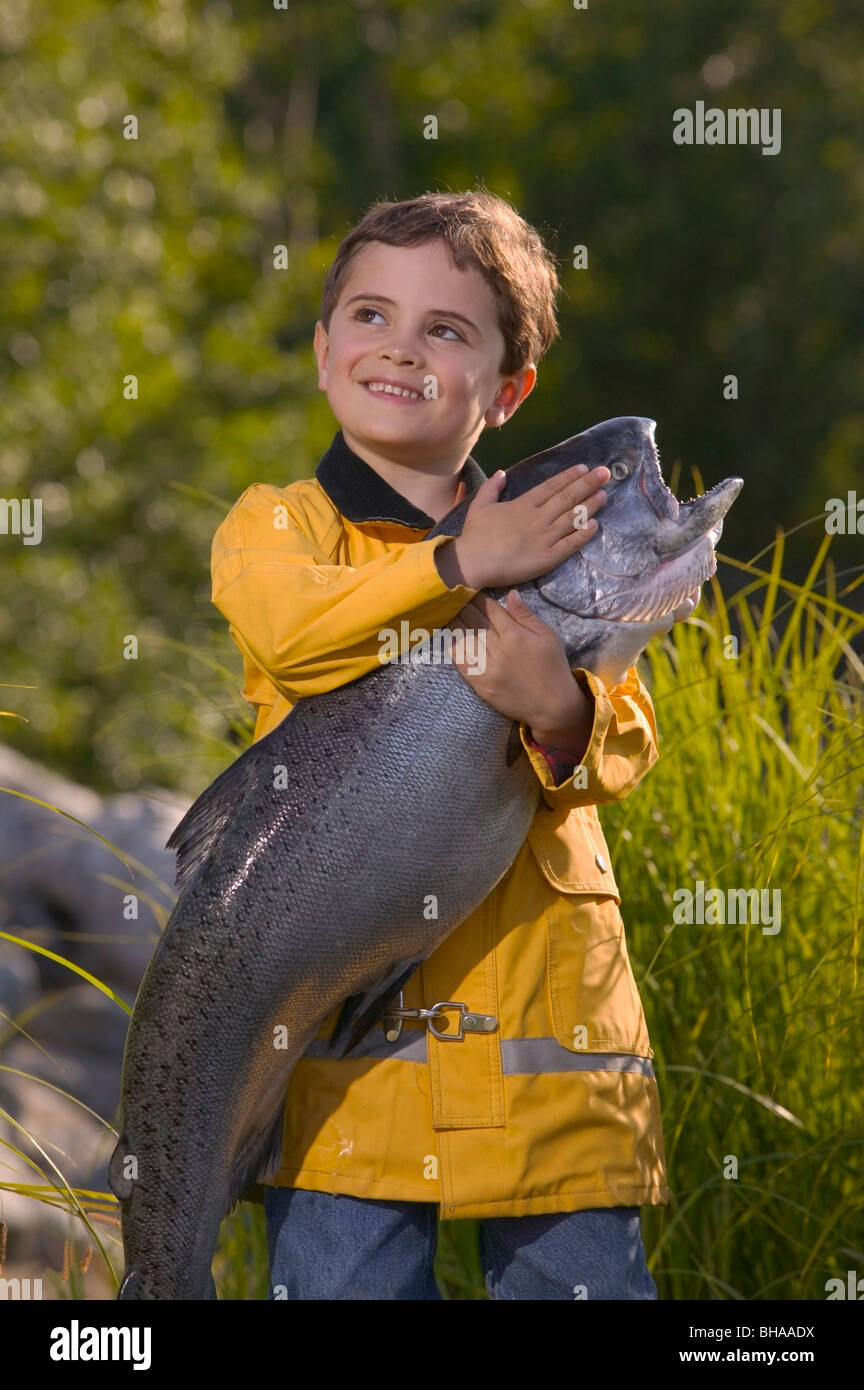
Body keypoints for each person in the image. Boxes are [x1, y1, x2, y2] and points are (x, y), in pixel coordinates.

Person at [210, 189, 693, 1300]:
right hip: (351, 1084)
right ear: (323, 350)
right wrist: (457, 566)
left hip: (556, 1069)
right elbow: (291, 634)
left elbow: (626, 744)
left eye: (446, 329)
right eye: (371, 317)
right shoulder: (278, 526)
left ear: (508, 388)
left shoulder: (559, 536)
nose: (400, 348)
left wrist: (558, 704)